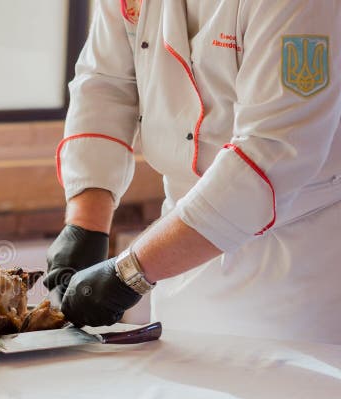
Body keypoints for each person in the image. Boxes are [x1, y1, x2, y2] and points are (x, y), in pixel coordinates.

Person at [45, 0, 341, 344]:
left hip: (296, 268)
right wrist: (86, 225)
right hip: (178, 253)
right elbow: (104, 84)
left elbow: (272, 153)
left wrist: (131, 271)